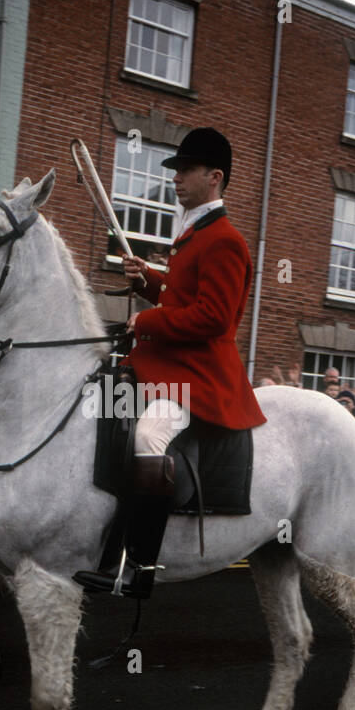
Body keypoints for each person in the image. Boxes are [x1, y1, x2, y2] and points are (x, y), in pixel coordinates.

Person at [74, 126, 266, 598]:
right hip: (169, 364)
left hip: (198, 374)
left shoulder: (225, 240)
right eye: (176, 171)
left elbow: (213, 318)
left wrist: (147, 322)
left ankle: (138, 567)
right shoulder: (194, 233)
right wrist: (148, 282)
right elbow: (184, 295)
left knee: (147, 433)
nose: (176, 179)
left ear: (214, 177)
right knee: (101, 411)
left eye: (185, 171)